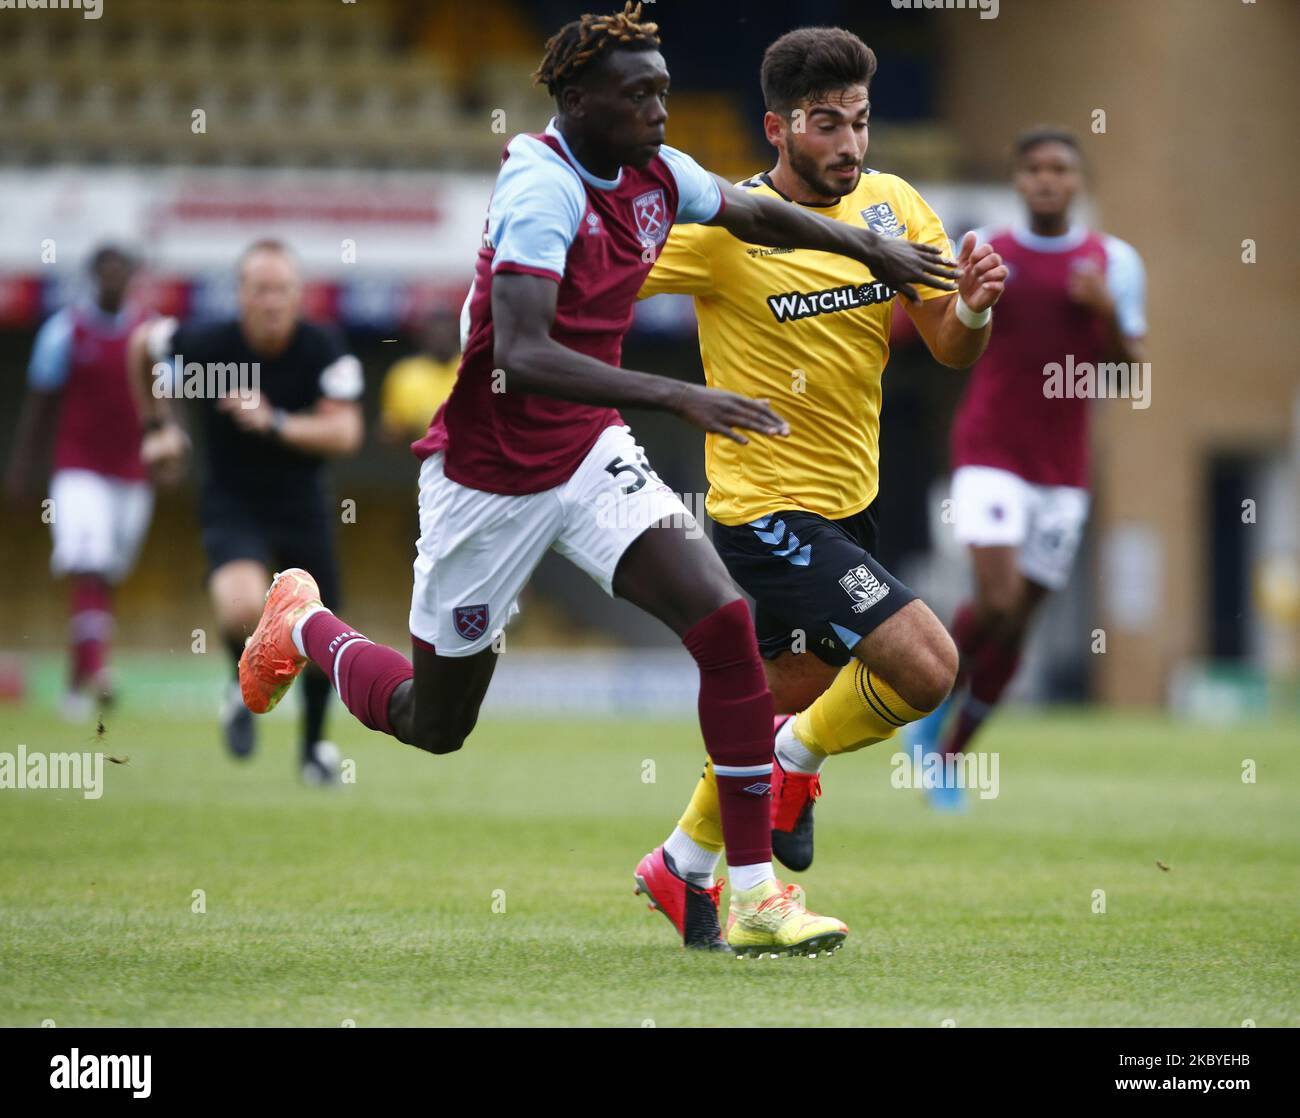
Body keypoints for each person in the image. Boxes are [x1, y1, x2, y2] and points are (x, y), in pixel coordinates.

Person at [225, 3, 957, 955]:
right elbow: (524, 351)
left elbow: (758, 211)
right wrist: (680, 396)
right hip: (487, 479)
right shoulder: (540, 185)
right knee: (433, 722)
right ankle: (306, 625)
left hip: (587, 455)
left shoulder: (659, 173)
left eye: (663, 88)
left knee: (725, 629)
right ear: (576, 99)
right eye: (639, 92)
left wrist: (873, 247)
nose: (661, 108)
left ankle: (752, 894)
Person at [631, 25, 1007, 944]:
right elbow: (598, 282)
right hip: (766, 514)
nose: (849, 144)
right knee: (926, 667)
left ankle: (679, 864)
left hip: (850, 506)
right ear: (778, 128)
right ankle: (796, 769)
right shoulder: (725, 229)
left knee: (776, 703)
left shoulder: (891, 208)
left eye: (861, 122)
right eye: (827, 124)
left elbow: (952, 348)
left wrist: (969, 305)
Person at [910, 127, 1146, 810]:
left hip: (1063, 466)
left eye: (1060, 169)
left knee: (1018, 622)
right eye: (1035, 168)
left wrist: (1105, 315)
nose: (1047, 179)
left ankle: (950, 756)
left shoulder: (1114, 262)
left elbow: (1128, 373)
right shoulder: (986, 250)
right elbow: (945, 334)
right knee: (1000, 599)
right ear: (1018, 180)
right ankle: (926, 703)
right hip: (989, 448)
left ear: (1079, 183)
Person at [127, 240, 365, 784]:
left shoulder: (322, 348)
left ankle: (313, 749)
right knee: (240, 608)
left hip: (302, 502)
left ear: (298, 295)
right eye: (260, 289)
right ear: (241, 294)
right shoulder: (206, 341)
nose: (272, 301)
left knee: (319, 628)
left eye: (282, 289)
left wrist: (275, 420)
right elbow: (140, 345)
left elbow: (346, 432)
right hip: (232, 497)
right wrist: (156, 426)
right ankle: (239, 686)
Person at [5, 246, 153, 720]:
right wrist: (22, 467)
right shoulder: (64, 330)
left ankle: (75, 682)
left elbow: (166, 401)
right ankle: (101, 669)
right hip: (78, 468)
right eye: (104, 269)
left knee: (104, 576)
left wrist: (173, 448)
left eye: (121, 269)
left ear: (131, 276)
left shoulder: (149, 335)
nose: (113, 278)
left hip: (131, 473)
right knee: (87, 563)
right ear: (93, 276)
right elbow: (41, 403)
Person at [378, 306, 461, 444]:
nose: (441, 339)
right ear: (423, 336)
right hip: (426, 459)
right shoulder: (405, 374)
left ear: (457, 333)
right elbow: (388, 434)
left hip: (470, 455)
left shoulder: (472, 367)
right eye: (435, 333)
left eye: (446, 332)